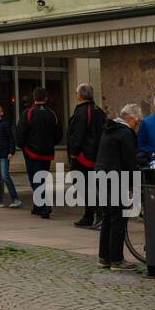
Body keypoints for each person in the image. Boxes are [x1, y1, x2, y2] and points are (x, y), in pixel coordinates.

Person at [96, 103, 141, 271]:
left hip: (103, 175)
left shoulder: (109, 129)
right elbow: (129, 161)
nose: (137, 125)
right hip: (116, 178)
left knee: (108, 217)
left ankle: (104, 257)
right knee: (118, 219)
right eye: (137, 122)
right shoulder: (125, 133)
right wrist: (132, 184)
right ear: (131, 119)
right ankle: (116, 259)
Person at [17, 88, 62, 218]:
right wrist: (51, 144)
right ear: (46, 98)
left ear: (34, 98)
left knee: (35, 179)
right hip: (47, 152)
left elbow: (20, 133)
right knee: (42, 178)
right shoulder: (52, 114)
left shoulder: (28, 113)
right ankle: (38, 206)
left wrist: (22, 145)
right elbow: (58, 133)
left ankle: (44, 205)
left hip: (31, 152)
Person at [66, 84, 105, 228]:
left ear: (80, 95)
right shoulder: (99, 111)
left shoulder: (81, 112)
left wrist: (74, 153)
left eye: (77, 93)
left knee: (83, 186)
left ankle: (94, 215)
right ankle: (91, 215)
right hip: (96, 155)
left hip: (84, 156)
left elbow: (77, 135)